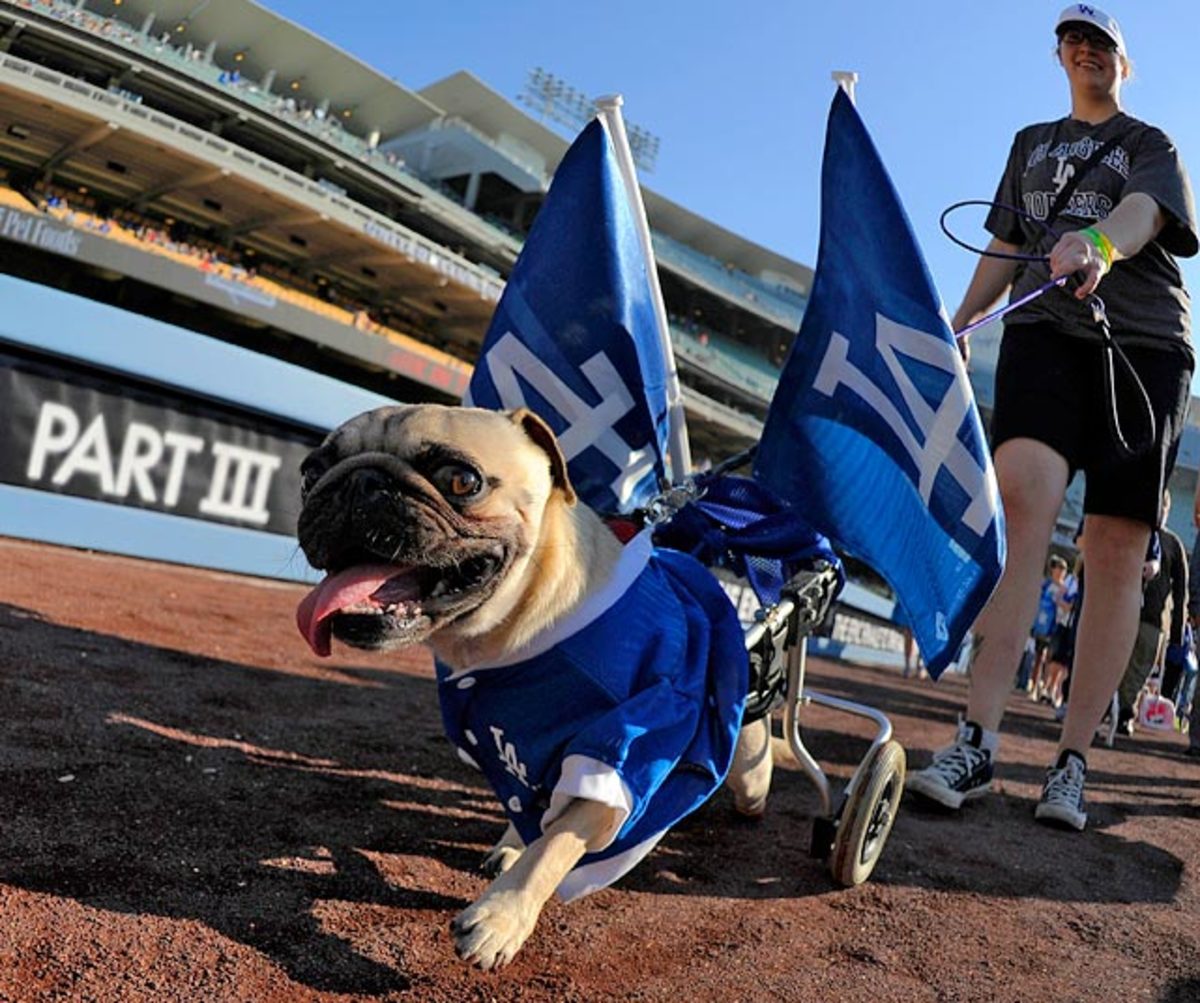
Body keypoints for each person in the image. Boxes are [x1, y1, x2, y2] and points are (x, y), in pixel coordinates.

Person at [906, 5, 1197, 831]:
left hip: (1143, 343)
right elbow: (1006, 241)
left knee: (1115, 542)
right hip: (1042, 333)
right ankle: (977, 738)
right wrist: (963, 323)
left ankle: (1071, 760)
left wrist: (1099, 245)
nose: (1085, 50)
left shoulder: (1151, 144)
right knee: (1021, 496)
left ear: (1122, 61)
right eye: (1073, 40)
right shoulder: (1030, 142)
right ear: (1058, 56)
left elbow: (1143, 217)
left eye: (1100, 41)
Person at [1116, 495, 1187, 734]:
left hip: (1154, 620)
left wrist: (1177, 634)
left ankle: (1124, 712)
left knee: (1140, 668)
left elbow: (1181, 591)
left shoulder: (1173, 544)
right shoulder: (1136, 533)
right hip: (1124, 610)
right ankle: (1115, 709)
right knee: (1118, 664)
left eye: (1163, 508)